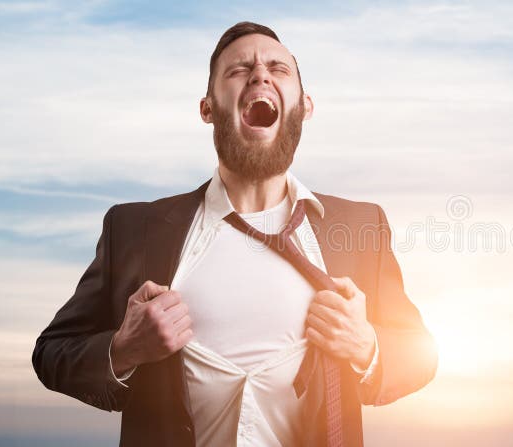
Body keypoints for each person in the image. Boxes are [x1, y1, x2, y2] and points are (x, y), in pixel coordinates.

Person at [32, 21, 438, 447]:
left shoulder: (360, 226)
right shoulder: (133, 229)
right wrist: (124, 349)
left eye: (278, 69)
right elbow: (52, 353)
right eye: (239, 69)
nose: (260, 74)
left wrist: (367, 347)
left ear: (305, 106)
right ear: (207, 108)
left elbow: (421, 355)